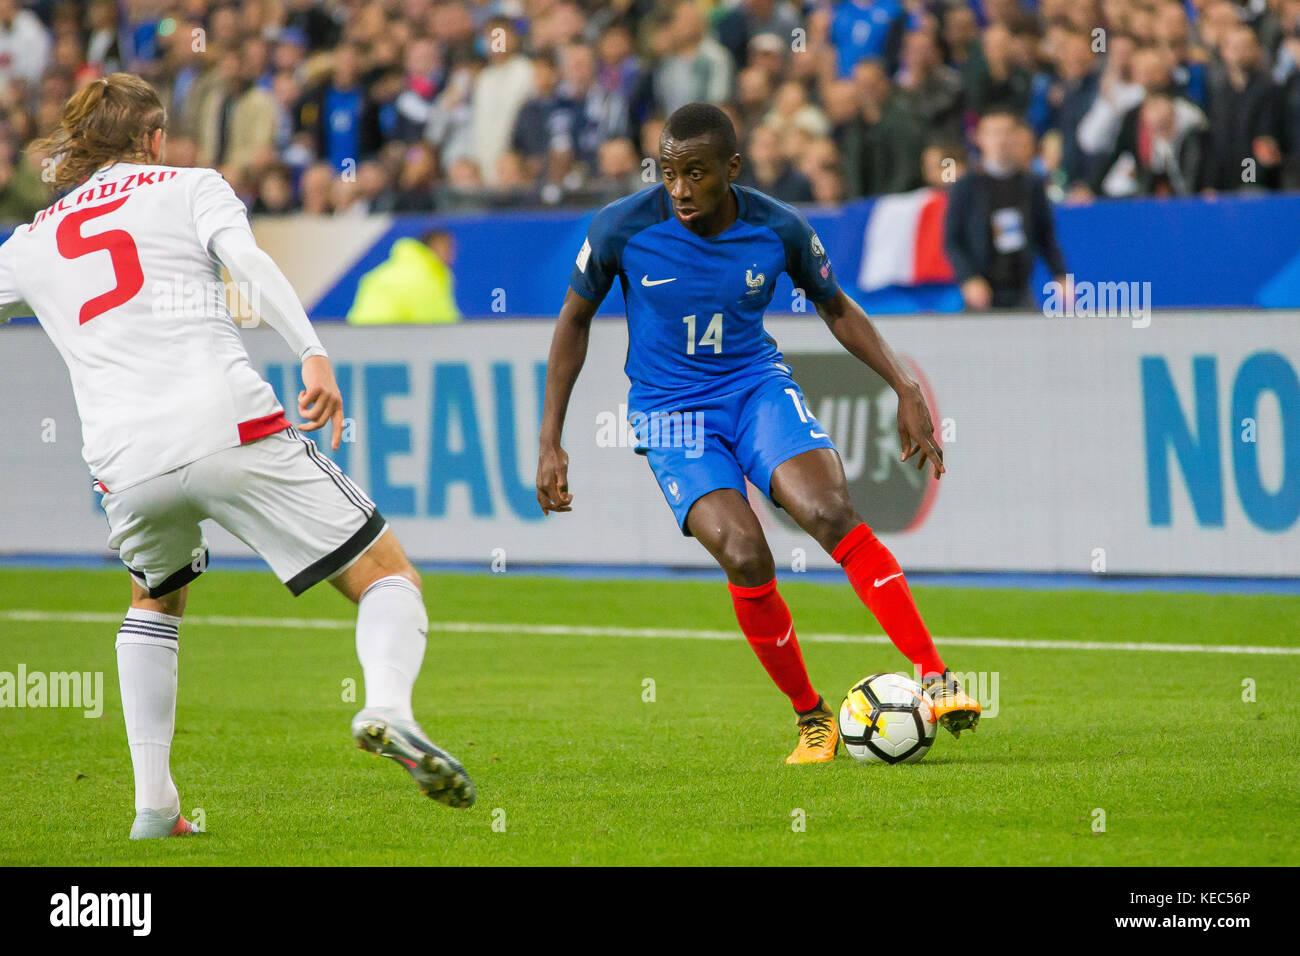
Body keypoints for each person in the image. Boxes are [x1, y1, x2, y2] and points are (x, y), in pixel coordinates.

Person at [0, 74, 475, 839]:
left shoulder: (29, 241)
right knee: (386, 574)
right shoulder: (191, 185)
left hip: (125, 461)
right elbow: (249, 263)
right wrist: (311, 352)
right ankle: (388, 706)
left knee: (153, 599)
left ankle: (153, 805)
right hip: (226, 425)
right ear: (153, 138)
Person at [535, 103, 980, 765]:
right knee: (744, 552)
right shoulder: (620, 228)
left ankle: (935, 677)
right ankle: (812, 719)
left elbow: (835, 304)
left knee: (829, 511)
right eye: (668, 172)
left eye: (697, 173)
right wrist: (551, 439)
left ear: (731, 169)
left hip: (754, 388)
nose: (680, 190)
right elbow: (573, 322)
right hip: (672, 411)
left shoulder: (778, 228)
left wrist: (903, 384)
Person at [945, 108, 1068, 311]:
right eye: (993, 133)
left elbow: (1045, 236)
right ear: (979, 138)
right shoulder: (965, 187)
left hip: (1019, 289)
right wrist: (968, 278)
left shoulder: (1031, 185)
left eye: (1006, 132)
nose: (1000, 140)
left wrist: (1060, 275)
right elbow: (952, 239)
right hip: (982, 293)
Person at [347, 229, 461, 324]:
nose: (451, 254)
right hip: (392, 343)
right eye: (447, 248)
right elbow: (440, 323)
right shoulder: (426, 279)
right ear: (433, 246)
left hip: (358, 340)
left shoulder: (378, 274)